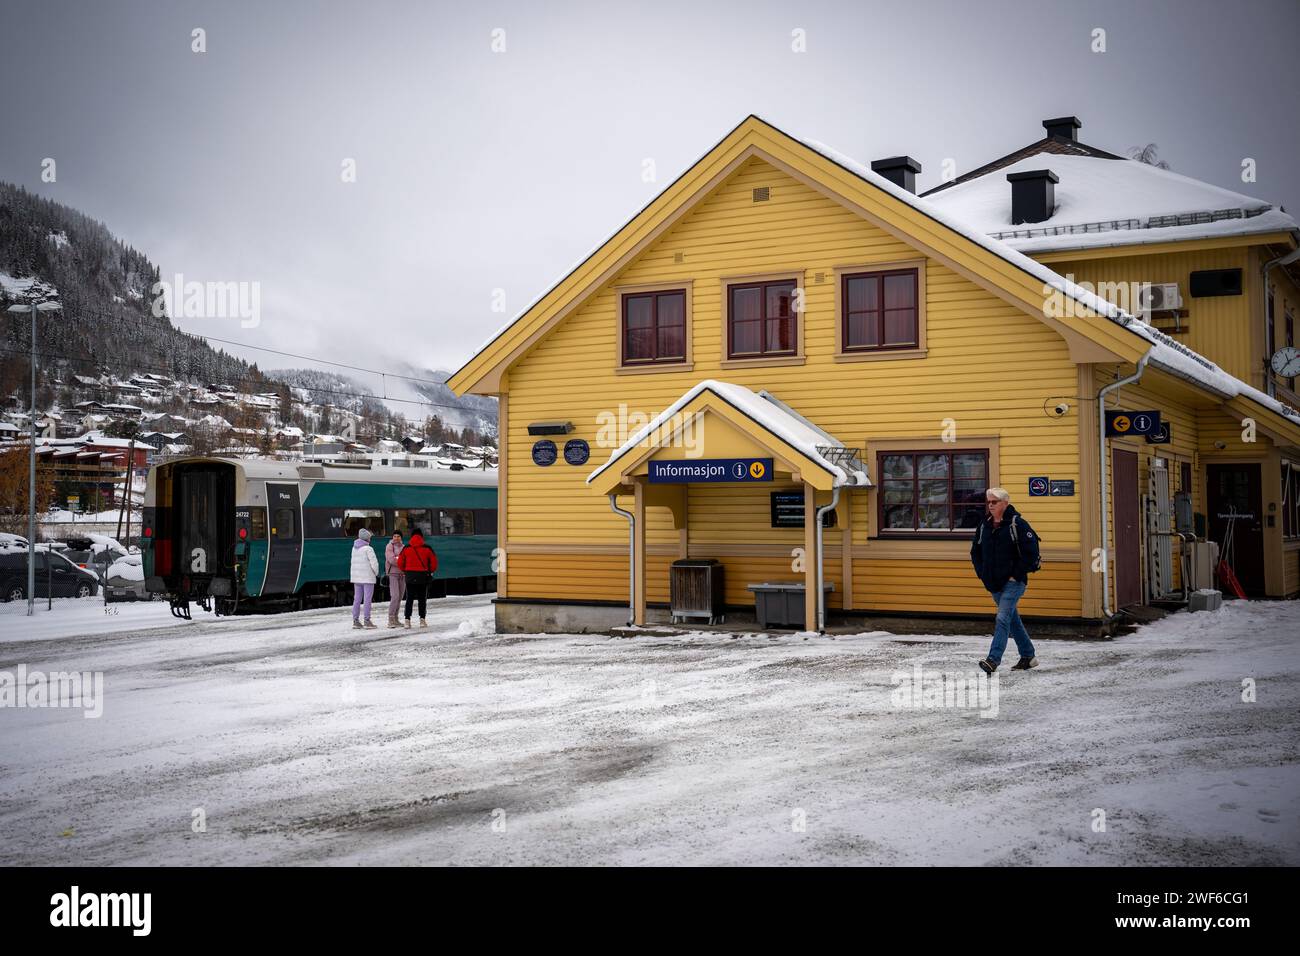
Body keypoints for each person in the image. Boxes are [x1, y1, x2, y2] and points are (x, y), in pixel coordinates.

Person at [970, 487, 1039, 673]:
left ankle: (993, 660)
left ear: (1005, 503)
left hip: (1013, 583)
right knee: (1011, 620)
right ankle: (1028, 656)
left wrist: (1015, 574)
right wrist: (982, 573)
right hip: (993, 582)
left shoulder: (1018, 525)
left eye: (995, 502)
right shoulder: (984, 524)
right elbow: (975, 552)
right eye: (989, 502)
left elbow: (1032, 554)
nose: (990, 505)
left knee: (1002, 618)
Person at [397, 528, 438, 627]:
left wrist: (406, 570)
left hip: (410, 575)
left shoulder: (406, 548)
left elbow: (400, 563)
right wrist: (430, 571)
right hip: (422, 576)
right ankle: (422, 620)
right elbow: (434, 563)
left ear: (412, 536)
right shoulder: (427, 548)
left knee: (409, 598)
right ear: (421, 536)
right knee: (422, 599)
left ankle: (407, 621)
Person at [350, 527, 380, 629]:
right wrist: (375, 573)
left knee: (357, 599)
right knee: (367, 599)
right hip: (367, 578)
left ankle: (355, 621)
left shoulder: (354, 548)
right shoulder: (369, 549)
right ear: (367, 539)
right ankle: (367, 621)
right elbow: (374, 564)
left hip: (357, 578)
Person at [385, 531, 406, 628]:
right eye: (394, 536)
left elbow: (407, 559)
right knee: (395, 596)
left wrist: (398, 558)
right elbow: (391, 559)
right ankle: (390, 619)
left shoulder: (404, 547)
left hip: (403, 574)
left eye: (398, 536)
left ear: (401, 537)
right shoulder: (389, 546)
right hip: (393, 573)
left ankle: (396, 618)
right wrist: (400, 559)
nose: (396, 538)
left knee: (400, 597)